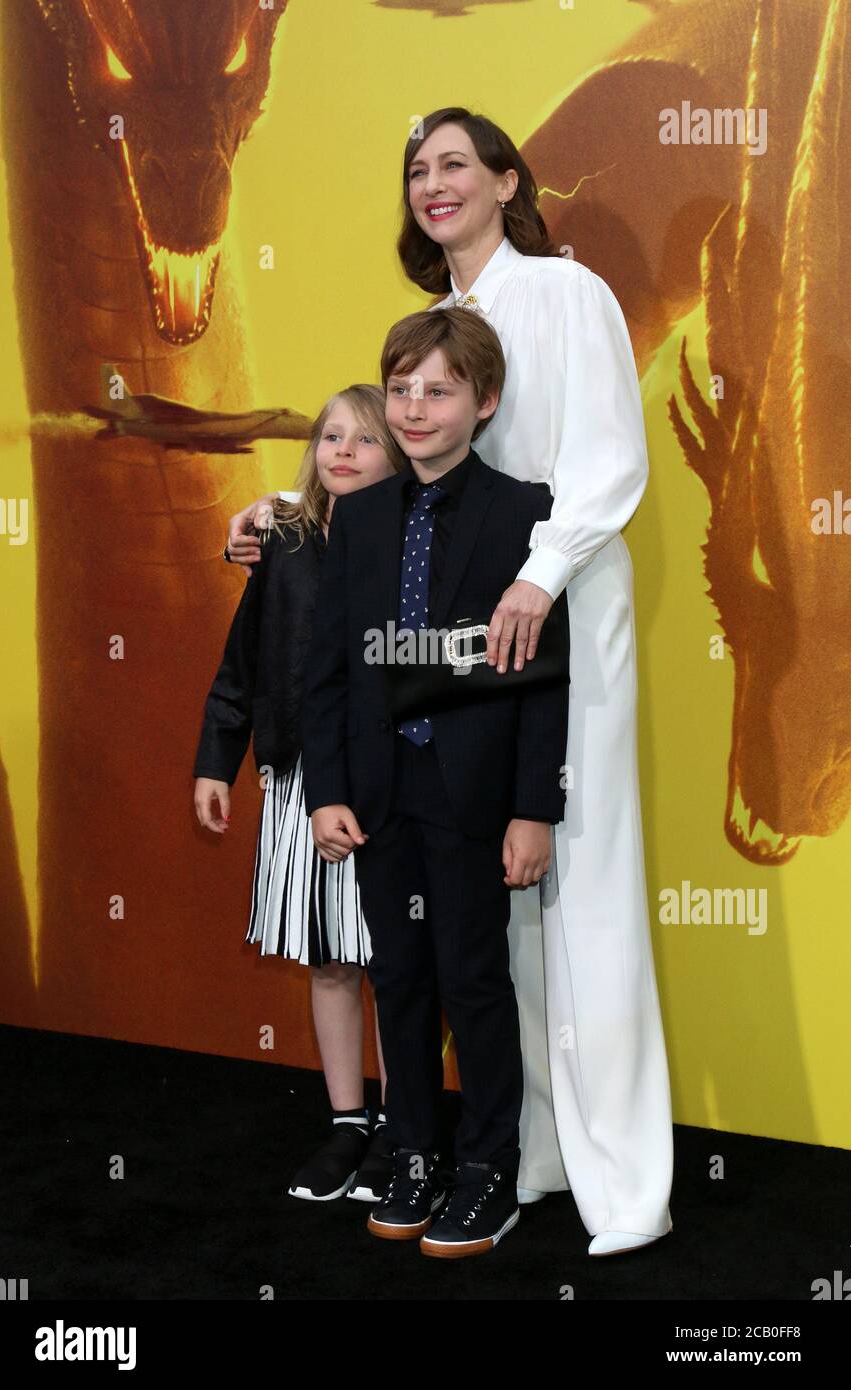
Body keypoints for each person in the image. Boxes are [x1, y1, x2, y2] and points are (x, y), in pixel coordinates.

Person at [225, 107, 674, 1256]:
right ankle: (514, 1149)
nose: (431, 185)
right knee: (478, 925)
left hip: (552, 612)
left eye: (454, 166)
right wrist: (281, 516)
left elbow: (608, 459)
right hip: (450, 649)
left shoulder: (565, 292)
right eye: (415, 169)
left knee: (569, 877)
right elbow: (381, 462)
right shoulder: (443, 327)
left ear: (506, 180)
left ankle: (617, 1170)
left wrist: (539, 576)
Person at [301, 304, 570, 1259]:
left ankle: (489, 1167)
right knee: (400, 977)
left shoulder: (525, 513)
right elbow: (328, 665)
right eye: (403, 388)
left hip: (473, 799)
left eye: (440, 390)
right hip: (379, 795)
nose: (415, 408)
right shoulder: (361, 517)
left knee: (473, 981)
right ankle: (414, 1150)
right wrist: (325, 787)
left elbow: (544, 679)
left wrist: (535, 808)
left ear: (483, 401)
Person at [192, 385, 407, 1205]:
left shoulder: (414, 543)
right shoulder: (281, 541)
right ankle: (349, 1122)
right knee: (330, 961)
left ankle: (403, 1123)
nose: (343, 451)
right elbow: (245, 660)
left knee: (394, 960)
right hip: (297, 783)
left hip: (386, 785)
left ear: (400, 452)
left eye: (364, 439)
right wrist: (217, 757)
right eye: (329, 437)